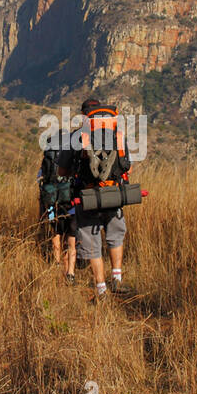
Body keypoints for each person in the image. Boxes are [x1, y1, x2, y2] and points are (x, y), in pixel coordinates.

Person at [72, 98, 131, 299]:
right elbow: (127, 166)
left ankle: (101, 289)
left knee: (91, 241)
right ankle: (117, 279)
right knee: (115, 236)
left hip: (88, 196)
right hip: (114, 194)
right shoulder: (119, 136)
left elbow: (65, 168)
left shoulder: (78, 137)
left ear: (84, 116)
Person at [37, 131, 78, 285]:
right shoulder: (72, 159)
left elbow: (40, 181)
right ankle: (71, 273)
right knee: (71, 238)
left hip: (52, 203)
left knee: (56, 232)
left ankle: (57, 264)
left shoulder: (47, 160)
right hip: (71, 204)